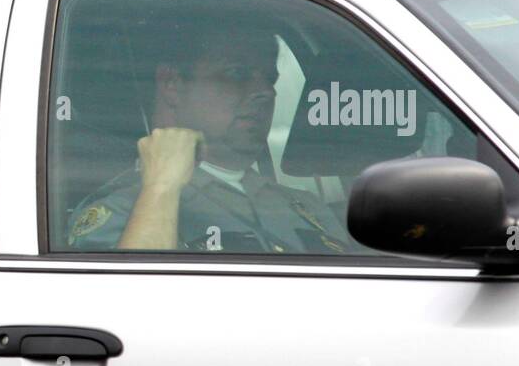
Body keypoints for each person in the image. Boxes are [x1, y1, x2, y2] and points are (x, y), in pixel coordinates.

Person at [67, 17, 354, 255]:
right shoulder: (126, 207)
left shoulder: (307, 207)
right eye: (237, 73)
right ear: (173, 84)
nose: (265, 91)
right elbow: (127, 308)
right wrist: (162, 188)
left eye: (270, 78)